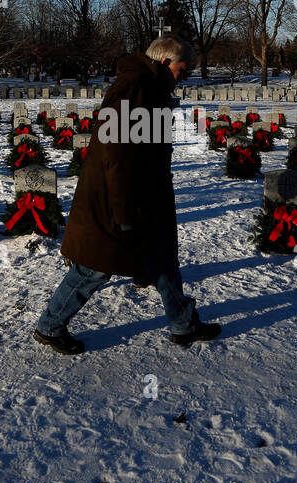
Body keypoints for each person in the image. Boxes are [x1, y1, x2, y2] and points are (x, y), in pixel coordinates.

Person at [34, 37, 220, 355]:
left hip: (145, 197)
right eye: (181, 69)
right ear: (164, 63)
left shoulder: (150, 88)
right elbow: (116, 154)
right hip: (118, 197)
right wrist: (122, 212)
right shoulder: (136, 89)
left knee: (162, 258)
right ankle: (50, 326)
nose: (182, 77)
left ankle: (183, 324)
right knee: (95, 265)